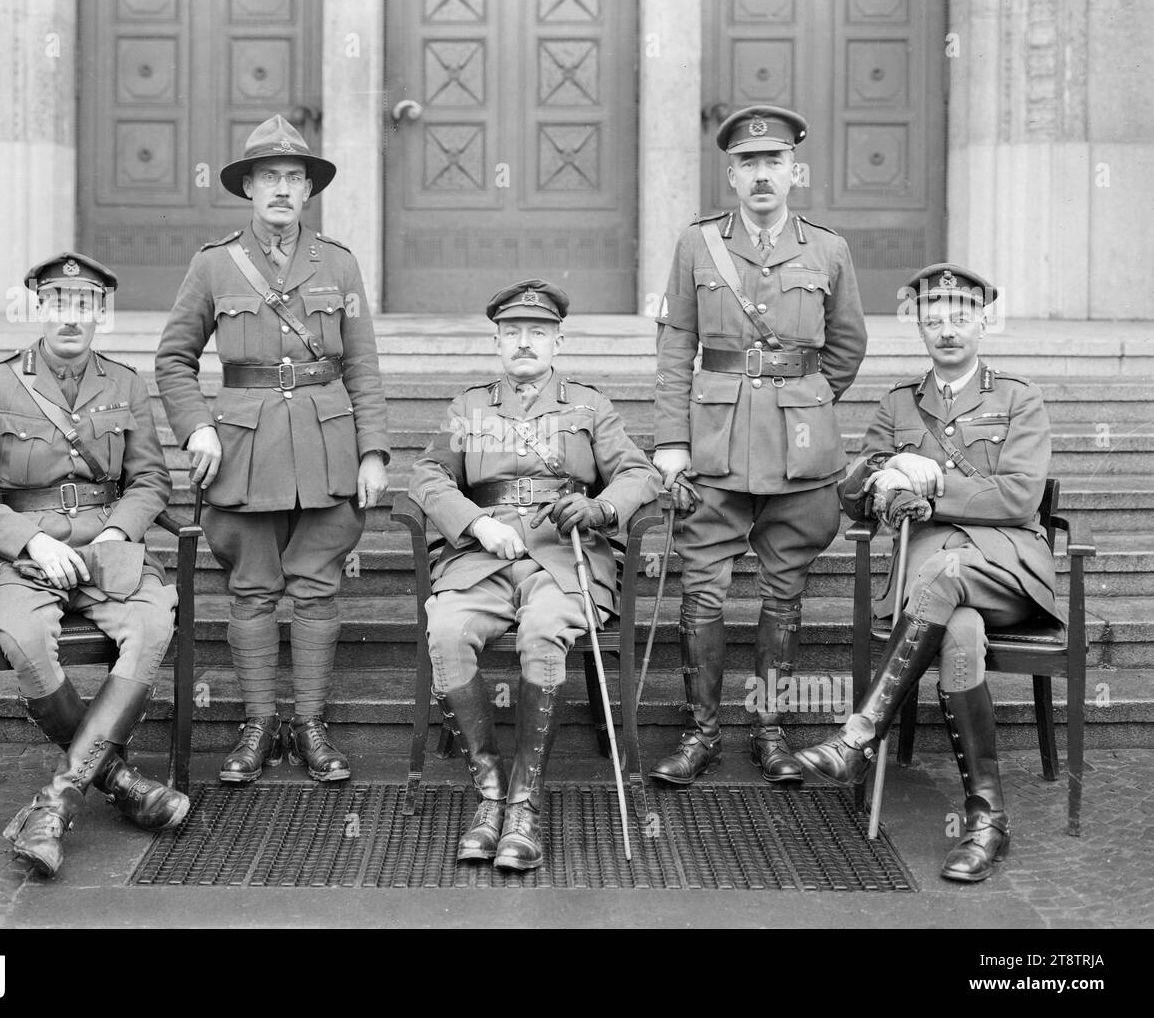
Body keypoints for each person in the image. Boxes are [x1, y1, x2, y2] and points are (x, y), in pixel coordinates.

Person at [797, 263, 1058, 882]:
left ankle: (858, 736)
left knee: (951, 579)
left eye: (960, 316)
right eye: (933, 318)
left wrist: (935, 484)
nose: (946, 329)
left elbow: (1019, 498)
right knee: (958, 632)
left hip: (1008, 566)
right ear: (916, 325)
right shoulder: (895, 405)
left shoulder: (1019, 398)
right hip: (930, 575)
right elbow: (858, 499)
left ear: (984, 321)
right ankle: (987, 820)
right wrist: (880, 486)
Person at [155, 115, 389, 785]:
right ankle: (258, 726)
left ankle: (311, 725)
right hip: (243, 451)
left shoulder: (337, 262)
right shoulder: (214, 264)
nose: (283, 190)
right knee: (252, 589)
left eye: (295, 178)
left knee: (316, 591)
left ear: (308, 190)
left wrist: (373, 450)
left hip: (325, 446)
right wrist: (196, 426)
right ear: (249, 188)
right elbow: (173, 359)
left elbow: (364, 366)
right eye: (270, 178)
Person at [0, 252, 187, 878]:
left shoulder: (127, 384)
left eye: (83, 305)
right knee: (25, 638)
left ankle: (55, 801)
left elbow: (151, 480)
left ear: (101, 314)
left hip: (105, 549)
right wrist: (29, 541)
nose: (70, 317)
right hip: (23, 558)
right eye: (57, 303)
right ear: (37, 308)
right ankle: (122, 783)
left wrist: (114, 531)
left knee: (155, 622)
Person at [409, 280, 660, 871]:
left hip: (564, 553)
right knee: (445, 627)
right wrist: (473, 523)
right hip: (484, 556)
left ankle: (526, 802)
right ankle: (490, 789)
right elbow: (426, 477)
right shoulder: (469, 407)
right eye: (513, 333)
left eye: (538, 334)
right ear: (497, 341)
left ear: (558, 341)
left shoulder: (590, 405)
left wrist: (599, 508)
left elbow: (639, 473)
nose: (525, 343)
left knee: (544, 629)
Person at [651, 105, 868, 787]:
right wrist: (671, 441)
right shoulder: (697, 243)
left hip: (800, 453)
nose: (763, 175)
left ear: (794, 171)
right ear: (732, 174)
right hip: (713, 445)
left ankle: (771, 731)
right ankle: (701, 732)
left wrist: (804, 397)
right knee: (705, 591)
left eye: (774, 162)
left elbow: (847, 344)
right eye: (749, 163)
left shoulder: (828, 248)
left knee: (784, 591)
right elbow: (676, 343)